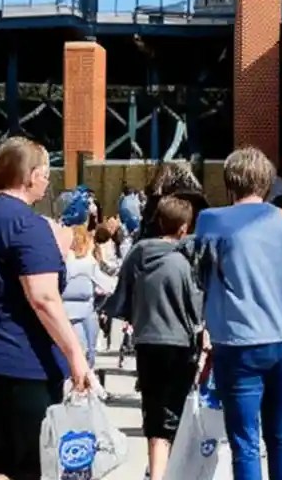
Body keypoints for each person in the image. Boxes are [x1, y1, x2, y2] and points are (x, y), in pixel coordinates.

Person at [0, 137, 92, 480]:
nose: (47, 181)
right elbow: (43, 298)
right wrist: (76, 355)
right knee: (31, 467)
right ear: (30, 175)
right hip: (21, 363)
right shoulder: (28, 226)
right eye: (45, 173)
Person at [195, 146, 282, 480]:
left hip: (239, 340)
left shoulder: (211, 220)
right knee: (281, 439)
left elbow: (199, 278)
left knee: (245, 442)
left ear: (230, 182)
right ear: (267, 182)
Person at [105, 195, 203, 480]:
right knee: (179, 409)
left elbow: (122, 293)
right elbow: (196, 303)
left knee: (154, 411)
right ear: (184, 227)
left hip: (148, 339)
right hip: (181, 342)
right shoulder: (188, 258)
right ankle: (176, 468)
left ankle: (157, 472)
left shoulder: (139, 253)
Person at [63, 223, 114, 370]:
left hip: (62, 313)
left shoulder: (61, 262)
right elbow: (107, 287)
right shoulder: (89, 264)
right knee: (88, 353)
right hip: (86, 313)